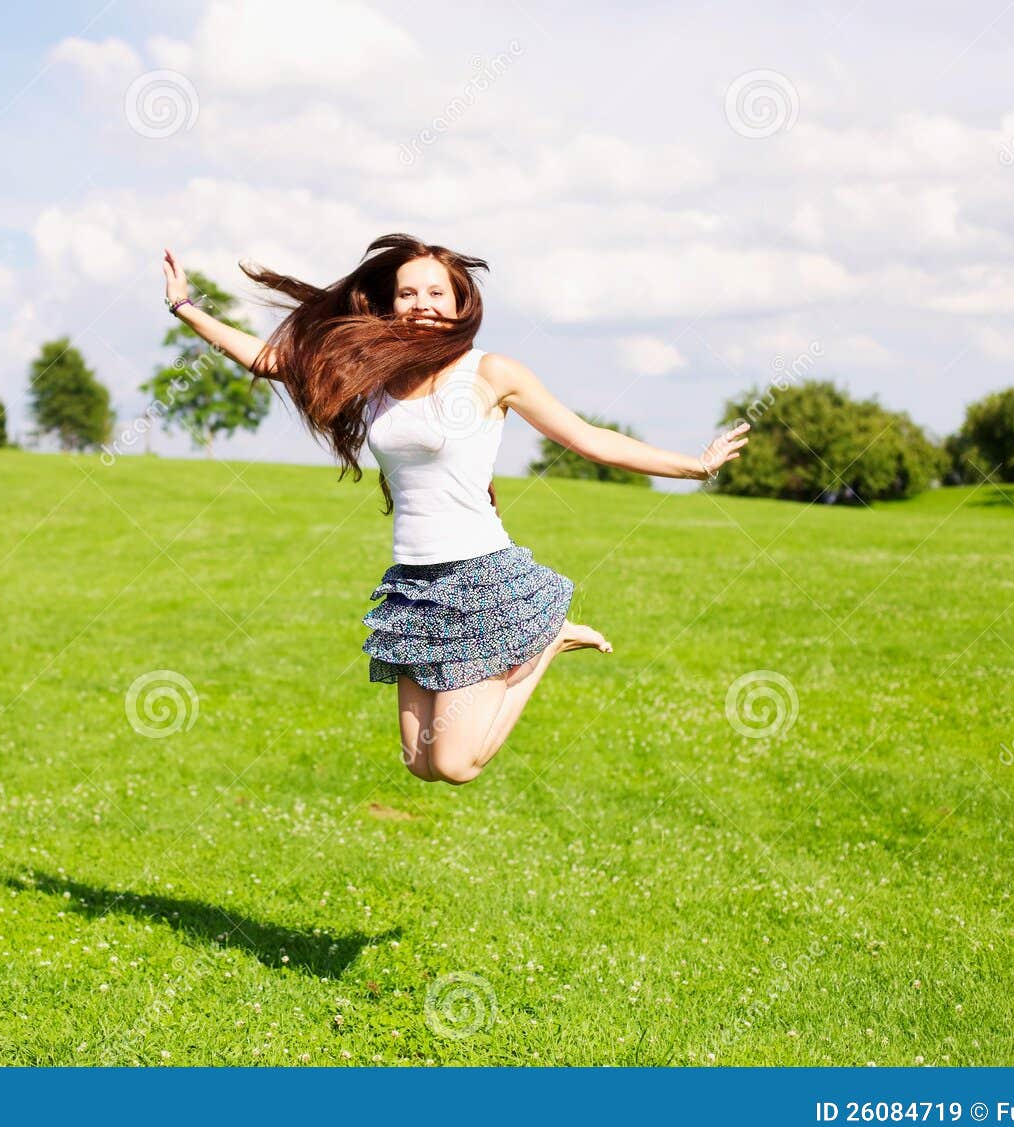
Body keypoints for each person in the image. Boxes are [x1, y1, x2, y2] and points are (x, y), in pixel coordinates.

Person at [160, 233, 747, 786]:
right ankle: (542, 641)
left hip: (480, 576)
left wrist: (692, 467)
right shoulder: (372, 379)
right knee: (420, 762)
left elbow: (588, 436)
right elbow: (270, 360)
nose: (422, 304)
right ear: (390, 306)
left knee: (458, 763)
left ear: (460, 300)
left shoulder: (490, 373)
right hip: (414, 586)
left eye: (436, 292)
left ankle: (544, 641)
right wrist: (185, 305)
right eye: (408, 294)